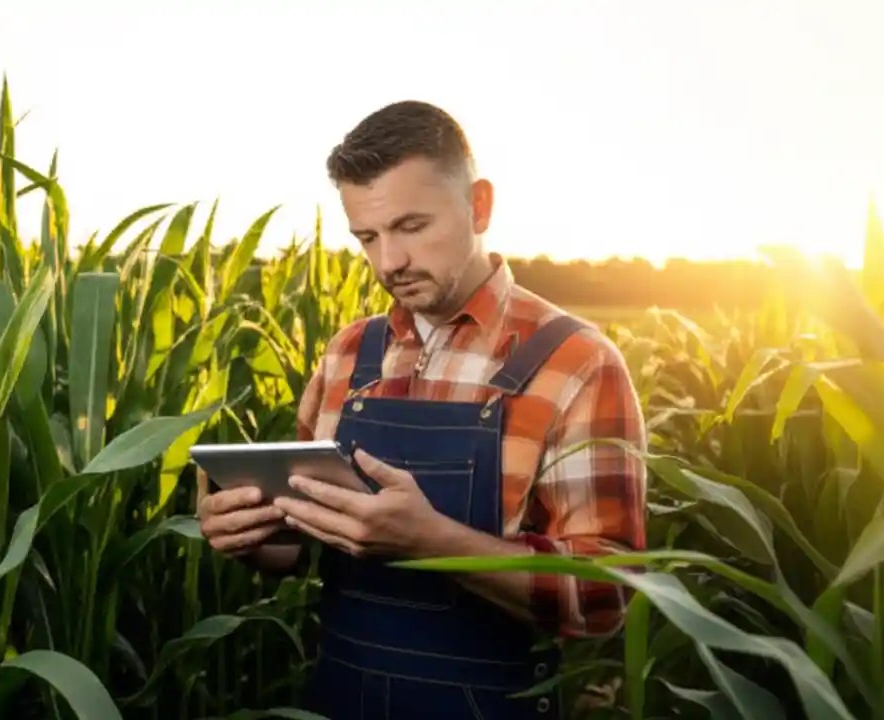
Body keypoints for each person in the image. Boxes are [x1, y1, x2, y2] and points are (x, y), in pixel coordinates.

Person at [196, 100, 647, 719]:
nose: (389, 263)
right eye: (368, 237)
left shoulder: (577, 363)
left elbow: (605, 595)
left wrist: (431, 541)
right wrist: (246, 537)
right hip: (339, 698)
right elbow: (297, 549)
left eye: (411, 226)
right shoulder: (348, 355)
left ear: (479, 205)